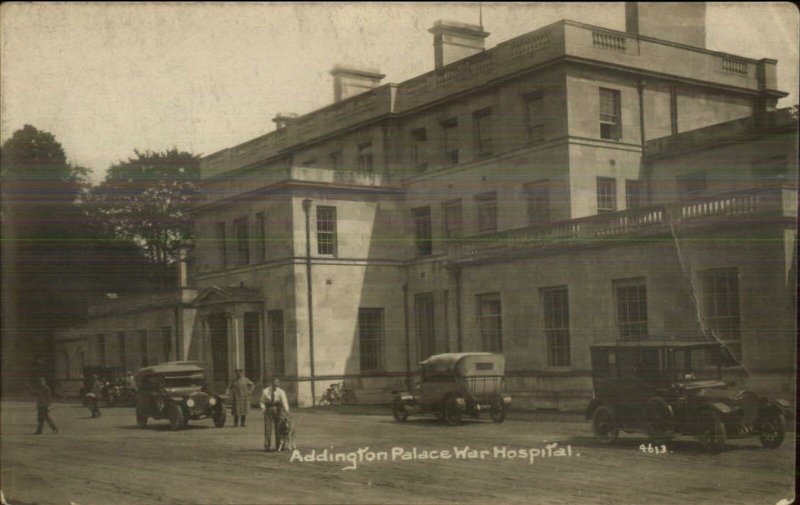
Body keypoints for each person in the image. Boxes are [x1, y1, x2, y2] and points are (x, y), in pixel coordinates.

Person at [259, 378, 289, 452]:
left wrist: (287, 411)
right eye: (274, 383)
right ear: (271, 383)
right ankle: (267, 446)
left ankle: (279, 446)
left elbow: (284, 402)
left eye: (277, 383)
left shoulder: (281, 392)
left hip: (278, 410)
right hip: (268, 410)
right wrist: (263, 408)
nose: (276, 385)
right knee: (267, 429)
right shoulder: (265, 391)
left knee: (279, 428)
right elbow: (261, 401)